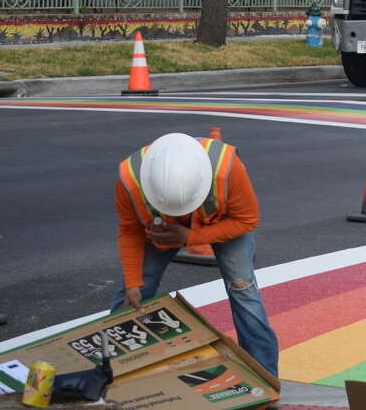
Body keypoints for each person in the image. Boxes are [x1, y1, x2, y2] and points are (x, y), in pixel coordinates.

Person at [111, 132, 279, 378]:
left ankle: (265, 377)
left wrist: (189, 237)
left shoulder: (228, 169)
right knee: (132, 295)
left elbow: (247, 219)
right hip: (163, 230)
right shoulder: (130, 179)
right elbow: (129, 230)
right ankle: (112, 371)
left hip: (223, 223)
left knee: (243, 291)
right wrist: (133, 282)